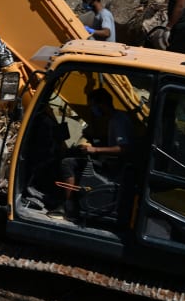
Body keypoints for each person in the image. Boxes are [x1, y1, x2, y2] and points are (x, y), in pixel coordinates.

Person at [54, 87, 134, 218]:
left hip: (113, 167)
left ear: (102, 104)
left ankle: (68, 206)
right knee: (75, 154)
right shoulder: (115, 118)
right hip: (112, 163)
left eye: (93, 106)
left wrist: (95, 149)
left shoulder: (118, 121)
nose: (92, 109)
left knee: (67, 163)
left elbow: (123, 148)